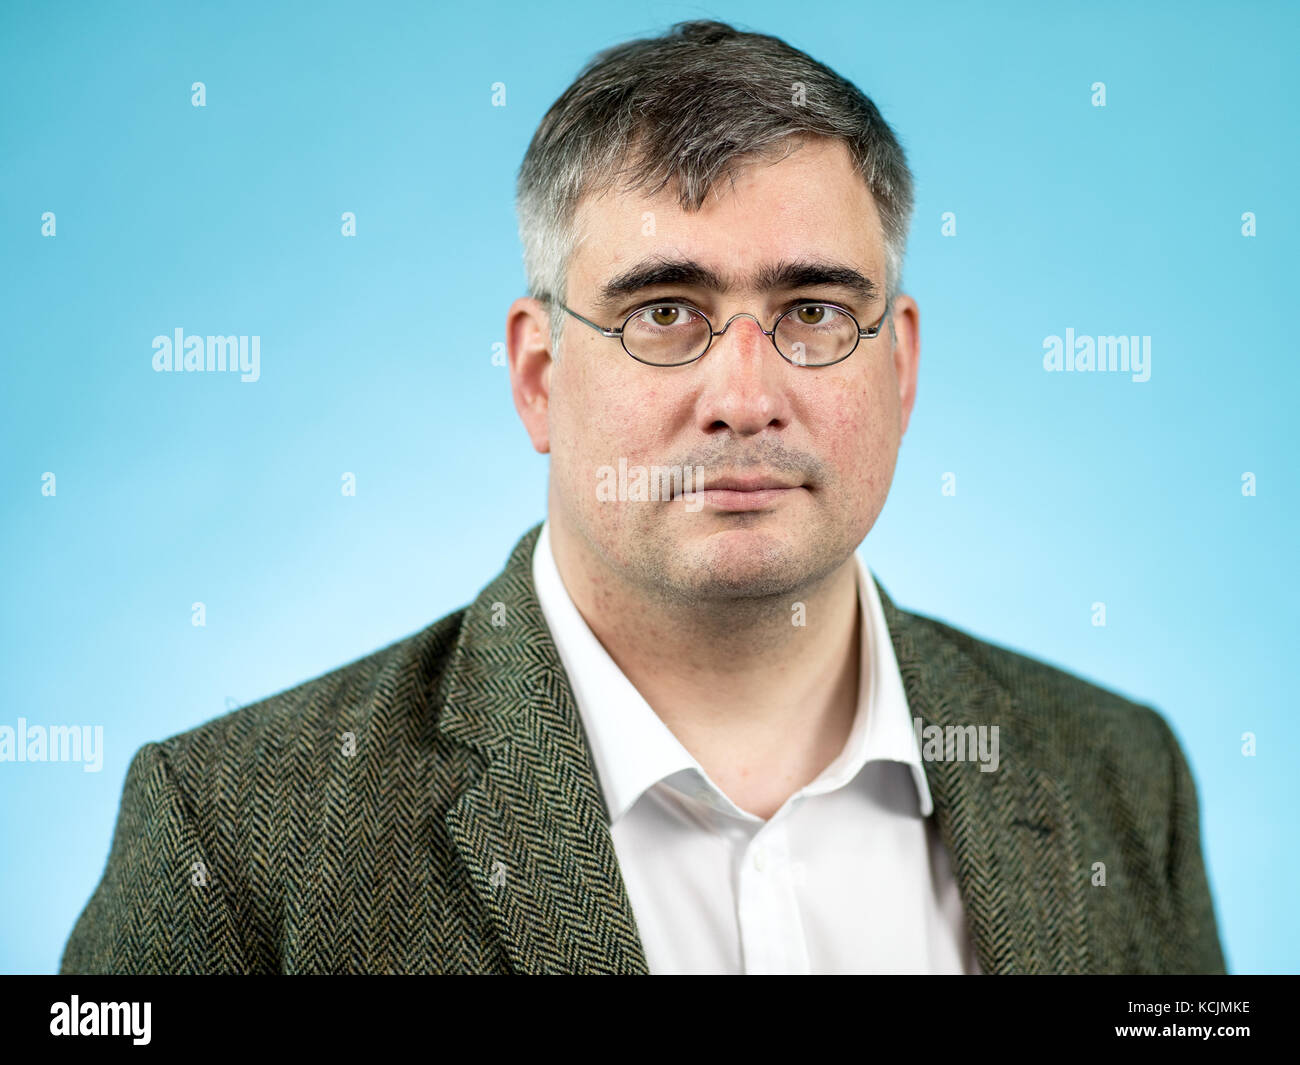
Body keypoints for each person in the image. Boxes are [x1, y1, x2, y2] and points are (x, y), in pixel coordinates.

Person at [61, 19, 1225, 975]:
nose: (744, 397)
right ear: (539, 377)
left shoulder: (1121, 776)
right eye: (664, 311)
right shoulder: (233, 837)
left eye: (813, 311)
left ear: (901, 365)